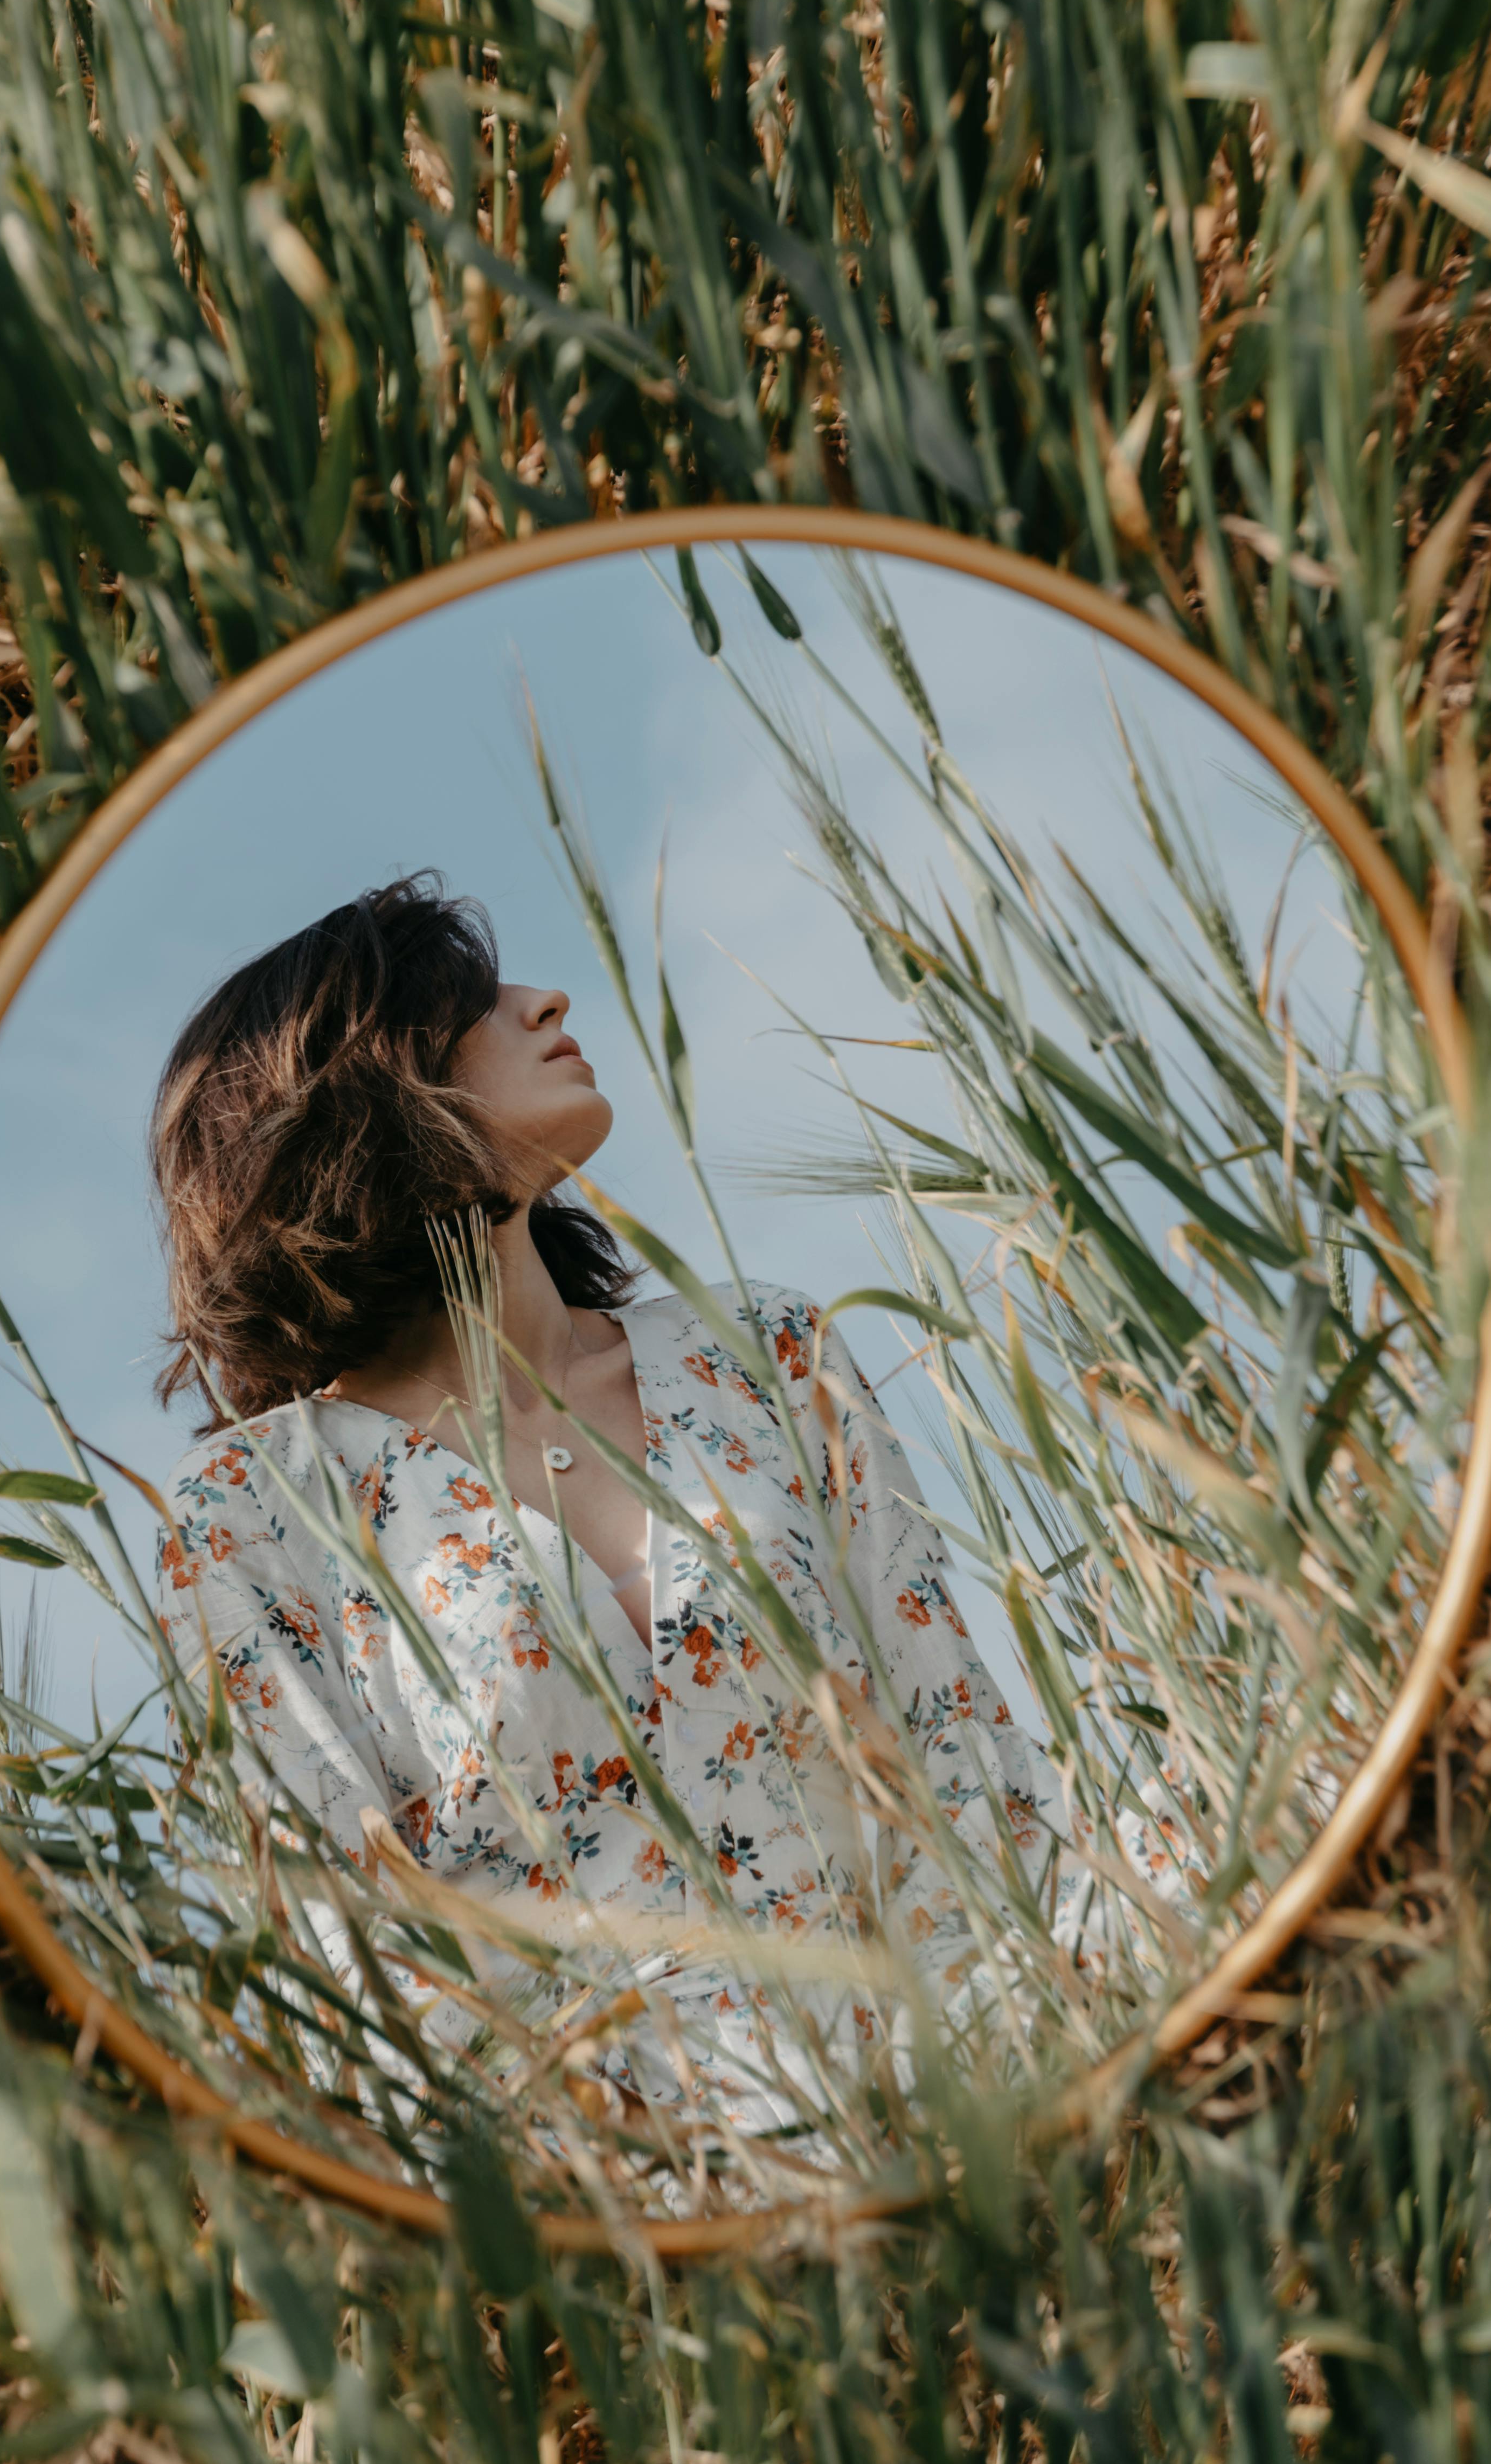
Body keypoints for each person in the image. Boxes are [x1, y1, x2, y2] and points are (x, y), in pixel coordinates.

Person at [147, 875, 1062, 2117]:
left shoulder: (766, 1352)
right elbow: (352, 1954)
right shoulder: (255, 1511)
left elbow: (961, 1754)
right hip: (604, 2179)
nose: (544, 1001)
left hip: (960, 2091)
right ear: (358, 1091)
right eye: (467, 1003)